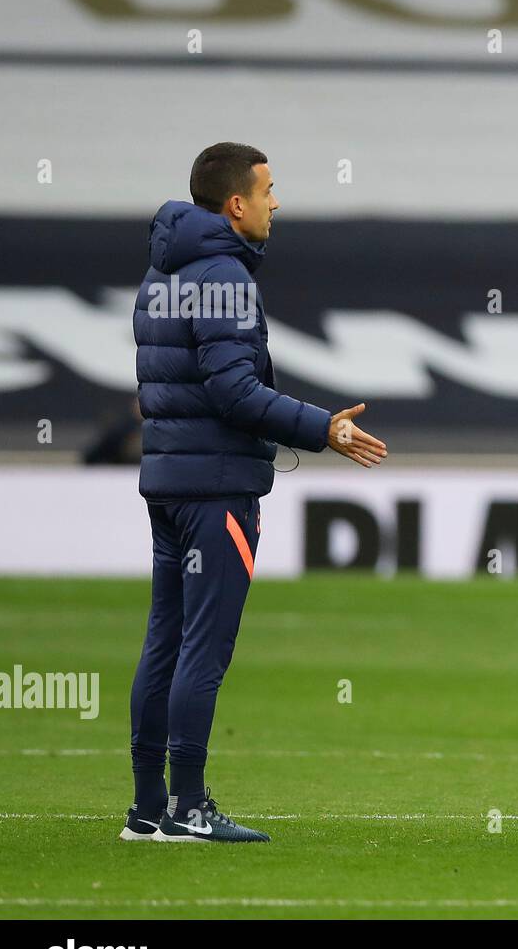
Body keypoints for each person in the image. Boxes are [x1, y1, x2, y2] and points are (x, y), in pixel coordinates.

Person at [123, 142, 387, 844]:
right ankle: (188, 808)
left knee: (165, 642)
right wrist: (320, 429)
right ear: (236, 203)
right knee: (203, 649)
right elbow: (235, 391)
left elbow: (161, 383)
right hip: (215, 489)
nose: (277, 202)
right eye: (269, 190)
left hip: (170, 480)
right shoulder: (224, 275)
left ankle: (149, 808)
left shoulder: (162, 270)